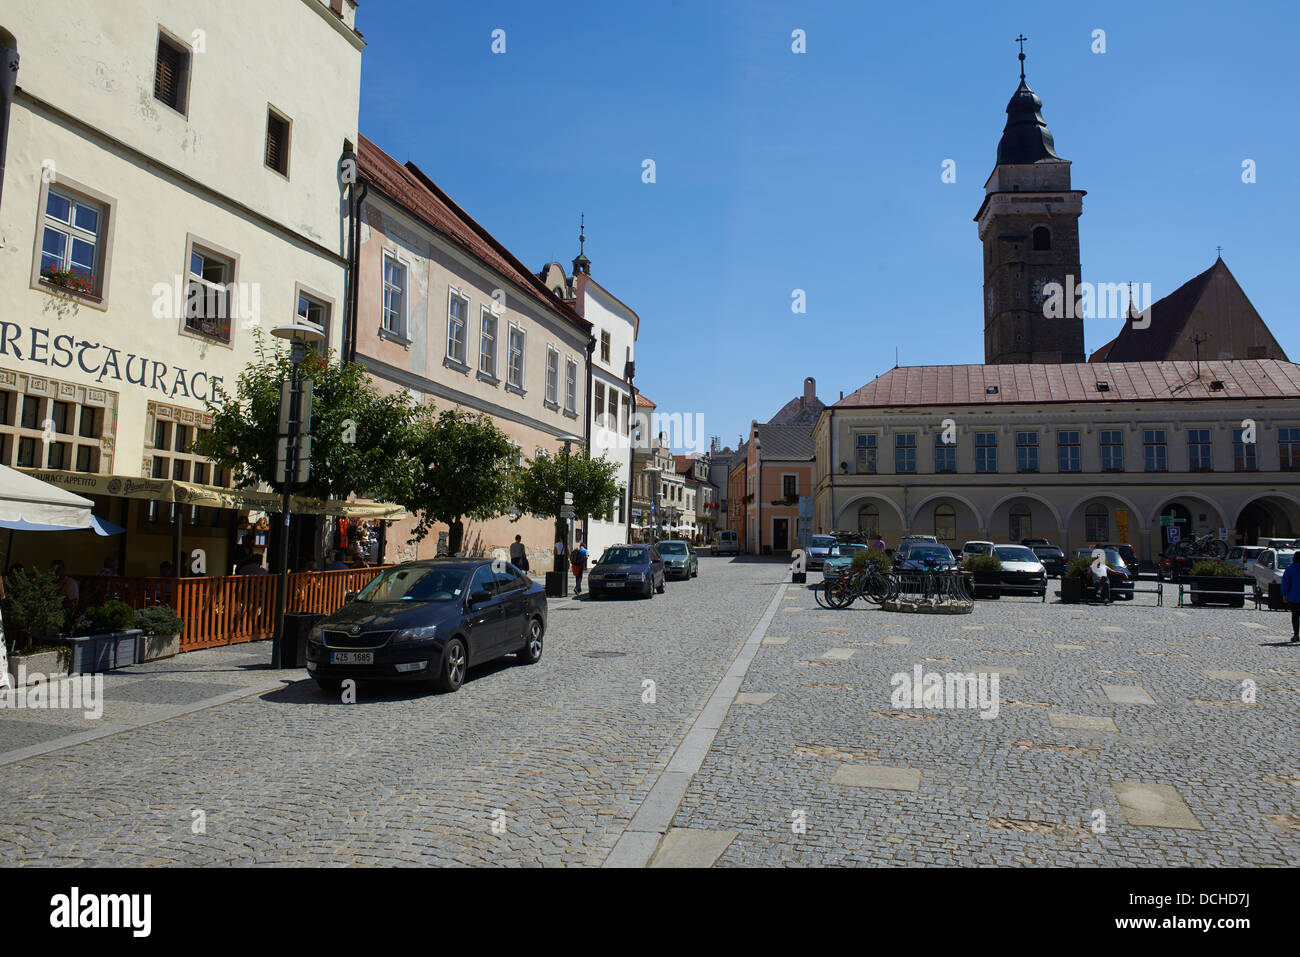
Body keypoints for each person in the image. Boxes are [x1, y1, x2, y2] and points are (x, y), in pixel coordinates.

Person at [1281, 554, 1300, 642]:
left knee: (1295, 616)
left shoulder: (1289, 569)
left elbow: (1286, 583)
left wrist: (1284, 594)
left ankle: (1296, 634)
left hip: (1294, 596)